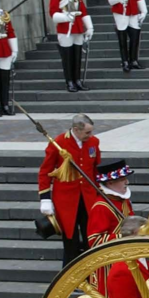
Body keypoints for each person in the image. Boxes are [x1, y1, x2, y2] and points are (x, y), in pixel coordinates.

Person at [38, 113, 101, 265]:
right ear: (76, 129)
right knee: (70, 239)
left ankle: (91, 275)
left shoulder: (94, 142)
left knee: (90, 238)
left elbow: (95, 168)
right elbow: (45, 172)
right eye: (87, 132)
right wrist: (45, 199)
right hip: (66, 201)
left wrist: (100, 189)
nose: (90, 135)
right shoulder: (58, 143)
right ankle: (71, 277)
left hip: (88, 197)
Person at [85, 159, 133, 292]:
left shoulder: (123, 200)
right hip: (109, 267)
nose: (126, 182)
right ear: (110, 182)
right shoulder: (101, 207)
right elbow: (95, 241)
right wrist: (123, 236)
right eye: (122, 179)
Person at [49, 0, 93, 93]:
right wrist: (66, 18)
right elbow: (53, 13)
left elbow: (83, 9)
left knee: (77, 56)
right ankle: (69, 81)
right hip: (65, 28)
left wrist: (89, 26)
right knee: (67, 57)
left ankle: (77, 80)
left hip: (78, 27)